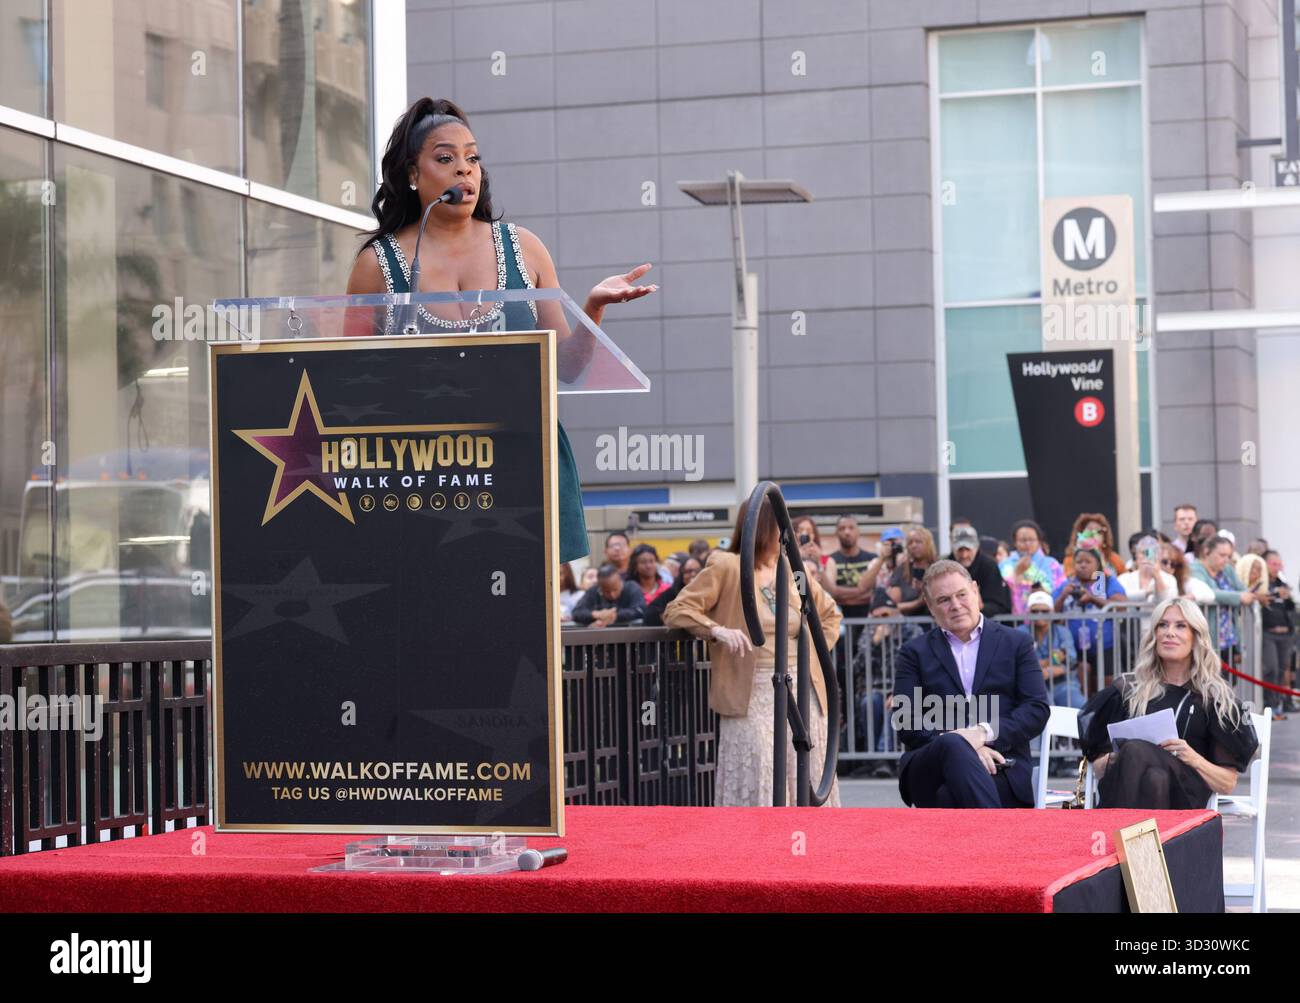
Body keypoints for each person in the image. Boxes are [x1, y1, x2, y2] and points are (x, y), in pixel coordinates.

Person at [346, 97, 657, 566]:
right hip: (425, 475)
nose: (464, 172)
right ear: (413, 173)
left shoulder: (524, 249)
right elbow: (347, 387)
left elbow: (567, 369)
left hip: (520, 462)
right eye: (446, 159)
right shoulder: (377, 265)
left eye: (472, 159)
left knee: (524, 621)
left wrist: (592, 307)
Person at [664, 497, 843, 807]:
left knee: (805, 770)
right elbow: (677, 609)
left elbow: (830, 615)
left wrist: (810, 654)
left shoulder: (791, 568)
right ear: (766, 527)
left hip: (801, 688)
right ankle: (755, 847)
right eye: (782, 524)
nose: (789, 533)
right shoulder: (727, 565)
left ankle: (809, 848)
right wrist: (715, 629)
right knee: (758, 766)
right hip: (751, 690)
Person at [892, 560, 1049, 808]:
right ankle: (999, 843)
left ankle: (988, 842)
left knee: (948, 798)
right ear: (931, 607)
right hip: (929, 766)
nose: (955, 605)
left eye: (961, 594)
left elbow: (1035, 709)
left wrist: (982, 733)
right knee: (953, 747)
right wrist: (962, 745)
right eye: (944, 600)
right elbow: (906, 721)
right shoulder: (913, 653)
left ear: (975, 591)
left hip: (1000, 764)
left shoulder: (1016, 643)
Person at [1080, 598, 1259, 809]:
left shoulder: (1213, 698)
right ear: (1154, 635)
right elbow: (1099, 768)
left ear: (1196, 637)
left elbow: (1227, 783)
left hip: (1186, 794)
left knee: (1136, 751)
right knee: (1153, 777)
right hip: (1140, 787)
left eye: (1180, 626)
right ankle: (1146, 842)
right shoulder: (1128, 690)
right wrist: (1118, 759)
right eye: (1162, 625)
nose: (1169, 632)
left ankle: (1114, 834)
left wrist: (1190, 756)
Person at [1053, 542, 1127, 683]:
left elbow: (1122, 606)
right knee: (1082, 678)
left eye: (1088, 561)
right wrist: (1063, 596)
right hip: (1076, 647)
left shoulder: (1106, 581)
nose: (1083, 565)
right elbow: (1050, 613)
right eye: (1079, 562)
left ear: (1098, 564)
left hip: (1105, 645)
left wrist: (1093, 598)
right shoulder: (1068, 583)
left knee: (1109, 682)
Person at [1190, 535, 1259, 655]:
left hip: (1229, 637)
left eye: (1229, 556)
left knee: (1230, 672)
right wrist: (1238, 597)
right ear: (1206, 552)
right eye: (1222, 555)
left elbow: (1243, 590)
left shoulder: (1227, 569)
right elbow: (1208, 593)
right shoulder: (1194, 569)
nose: (1226, 560)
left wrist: (1245, 595)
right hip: (1207, 638)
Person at [1019, 590, 1084, 708]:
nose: (1040, 615)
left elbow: (1071, 662)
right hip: (1031, 686)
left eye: (1044, 611)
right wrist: (1051, 662)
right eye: (1035, 611)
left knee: (1079, 706)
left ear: (1052, 612)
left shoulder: (1062, 632)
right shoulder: (1020, 632)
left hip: (1063, 683)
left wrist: (1047, 670)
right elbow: (1021, 665)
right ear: (1028, 612)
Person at [1000, 520, 1066, 615]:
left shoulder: (1051, 563)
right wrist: (1017, 573)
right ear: (1015, 542)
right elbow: (1002, 591)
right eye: (1023, 540)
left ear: (1039, 541)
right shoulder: (1005, 564)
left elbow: (1061, 589)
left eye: (1031, 540)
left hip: (1046, 619)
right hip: (1015, 619)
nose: (1027, 544)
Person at [947, 524, 1011, 617]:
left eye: (968, 549)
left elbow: (1000, 605)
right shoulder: (945, 568)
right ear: (953, 549)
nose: (964, 555)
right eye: (960, 550)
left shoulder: (989, 566)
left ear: (976, 547)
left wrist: (982, 607)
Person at [1261, 550, 1294, 720]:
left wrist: (1288, 597)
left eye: (1279, 564)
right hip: (1268, 633)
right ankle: (1269, 707)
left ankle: (1277, 706)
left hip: (1285, 633)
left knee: (1282, 670)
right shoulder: (1262, 582)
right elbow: (1258, 598)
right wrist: (1276, 595)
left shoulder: (1282, 582)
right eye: (1273, 563)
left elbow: (1290, 608)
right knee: (1271, 669)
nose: (1277, 567)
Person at [825, 515, 879, 620]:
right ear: (836, 533)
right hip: (840, 622)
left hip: (870, 620)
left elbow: (875, 593)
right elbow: (832, 593)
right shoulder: (829, 560)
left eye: (851, 528)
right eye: (842, 528)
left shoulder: (873, 559)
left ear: (858, 531)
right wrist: (861, 591)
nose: (847, 532)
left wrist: (842, 595)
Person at [571, 564, 646, 627]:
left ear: (620, 581)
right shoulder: (593, 591)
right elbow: (577, 612)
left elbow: (640, 610)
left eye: (615, 589)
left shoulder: (631, 587)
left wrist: (615, 615)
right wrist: (596, 614)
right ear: (599, 586)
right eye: (607, 591)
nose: (612, 595)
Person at [887, 525, 937, 617]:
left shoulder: (938, 568)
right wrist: (918, 602)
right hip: (908, 625)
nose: (913, 545)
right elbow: (892, 606)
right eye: (910, 543)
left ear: (928, 544)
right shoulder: (901, 570)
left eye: (918, 542)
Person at [642, 556, 702, 627]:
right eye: (688, 571)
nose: (693, 574)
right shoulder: (673, 592)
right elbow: (650, 612)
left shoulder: (710, 592)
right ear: (681, 575)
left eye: (697, 571)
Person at [1062, 513, 1127, 577]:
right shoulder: (1071, 558)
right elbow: (1069, 579)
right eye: (1089, 531)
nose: (1093, 534)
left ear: (1104, 537)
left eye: (1098, 532)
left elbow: (1126, 579)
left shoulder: (1113, 558)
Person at [1118, 534, 1178, 603]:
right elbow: (1119, 598)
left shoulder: (1169, 579)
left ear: (1159, 556)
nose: (1147, 557)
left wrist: (1157, 577)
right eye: (1143, 552)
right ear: (1136, 555)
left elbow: (1167, 602)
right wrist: (1145, 593)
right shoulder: (1124, 578)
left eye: (1151, 553)